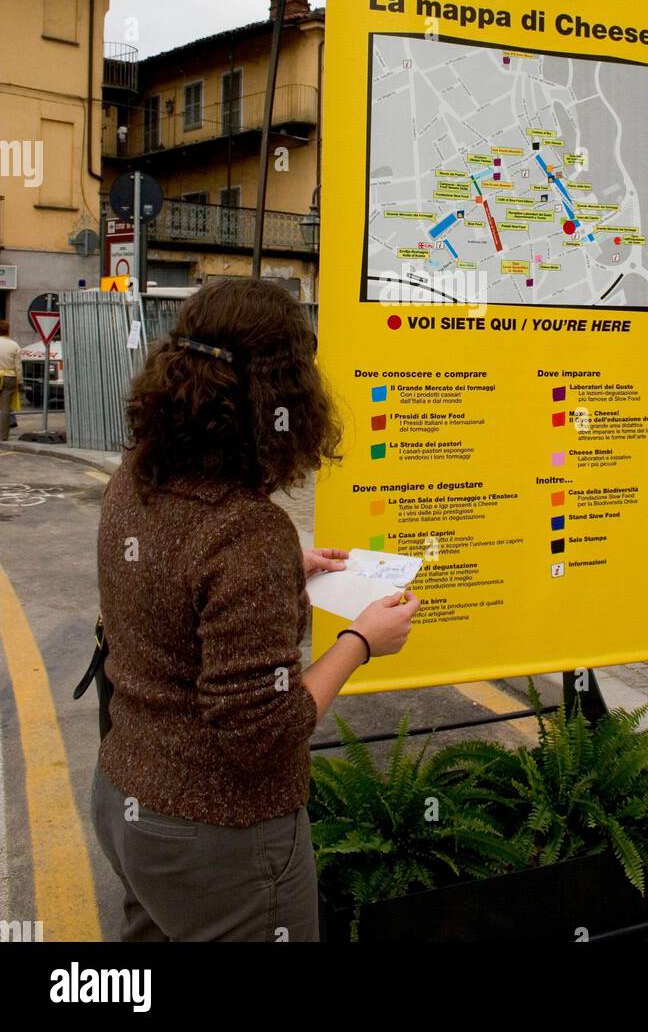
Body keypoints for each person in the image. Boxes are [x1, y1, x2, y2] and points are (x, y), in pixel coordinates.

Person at [90, 278, 419, 942]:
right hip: (217, 838)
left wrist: (277, 574)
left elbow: (166, 580)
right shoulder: (247, 531)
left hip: (126, 798)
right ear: (285, 397)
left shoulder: (137, 473)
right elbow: (263, 735)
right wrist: (358, 640)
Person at [0, 318, 23, 440]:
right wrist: (20, 382)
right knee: (5, 408)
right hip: (9, 377)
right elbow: (18, 367)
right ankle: (3, 436)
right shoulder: (14, 345)